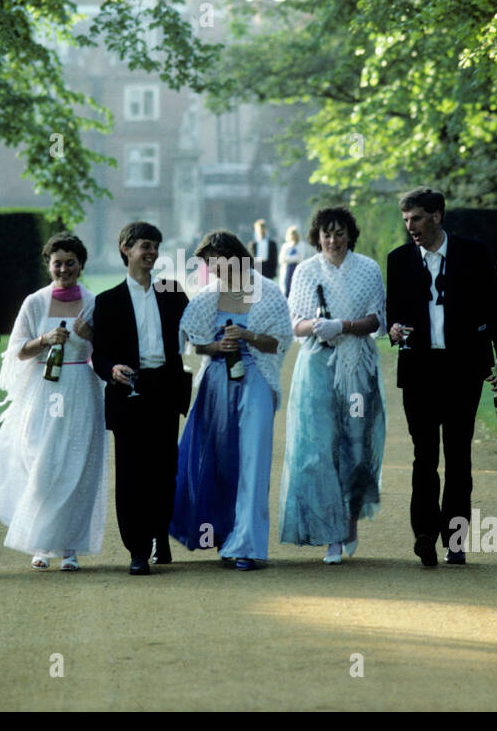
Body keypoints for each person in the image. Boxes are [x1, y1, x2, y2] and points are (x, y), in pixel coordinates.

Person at [386, 188, 497, 567]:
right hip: (419, 372)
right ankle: (424, 534)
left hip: (463, 371)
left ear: (438, 216)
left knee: (459, 457)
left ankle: (455, 539)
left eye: (418, 219)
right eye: (406, 220)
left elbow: (496, 307)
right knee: (423, 456)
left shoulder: (474, 254)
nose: (411, 227)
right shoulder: (398, 260)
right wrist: (393, 331)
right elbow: (393, 314)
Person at [171, 231, 292, 570]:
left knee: (253, 462)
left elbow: (279, 344)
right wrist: (217, 347)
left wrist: (248, 336)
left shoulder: (267, 291)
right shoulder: (208, 296)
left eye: (215, 261)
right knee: (220, 461)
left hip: (256, 380)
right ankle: (223, 533)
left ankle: (248, 546)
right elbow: (196, 344)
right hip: (217, 384)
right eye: (208, 264)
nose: (212, 269)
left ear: (233, 255)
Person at [0, 233, 106, 571]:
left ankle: (69, 546)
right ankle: (41, 541)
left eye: (70, 263)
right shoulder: (34, 302)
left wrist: (91, 336)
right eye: (58, 263)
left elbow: (109, 352)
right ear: (48, 265)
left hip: (81, 388)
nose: (64, 269)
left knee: (76, 467)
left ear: (81, 265)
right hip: (44, 389)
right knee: (41, 464)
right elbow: (17, 350)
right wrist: (44, 339)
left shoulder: (94, 303)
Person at [279, 206, 386, 564]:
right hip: (317, 366)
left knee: (356, 447)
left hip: (357, 366)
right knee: (319, 449)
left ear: (349, 235)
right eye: (326, 234)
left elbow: (376, 320)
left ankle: (350, 521)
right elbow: (295, 323)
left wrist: (342, 326)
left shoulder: (368, 269)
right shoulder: (306, 271)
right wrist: (317, 326)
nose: (333, 240)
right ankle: (332, 535)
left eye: (339, 233)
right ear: (317, 237)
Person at [90, 222, 192, 575]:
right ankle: (137, 549)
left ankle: (159, 534)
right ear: (126, 249)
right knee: (132, 473)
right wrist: (111, 369)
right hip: (128, 392)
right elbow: (98, 354)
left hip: (164, 388)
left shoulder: (173, 292)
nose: (151, 253)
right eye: (145, 246)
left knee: (165, 471)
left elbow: (195, 328)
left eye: (155, 247)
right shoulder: (108, 300)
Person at [279, 225, 302, 296]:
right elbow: (282, 259)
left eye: (294, 234)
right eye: (291, 235)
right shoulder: (285, 246)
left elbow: (299, 258)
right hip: (286, 271)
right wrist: (293, 258)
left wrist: (288, 258)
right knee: (286, 290)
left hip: (296, 270)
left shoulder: (301, 245)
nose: (293, 236)